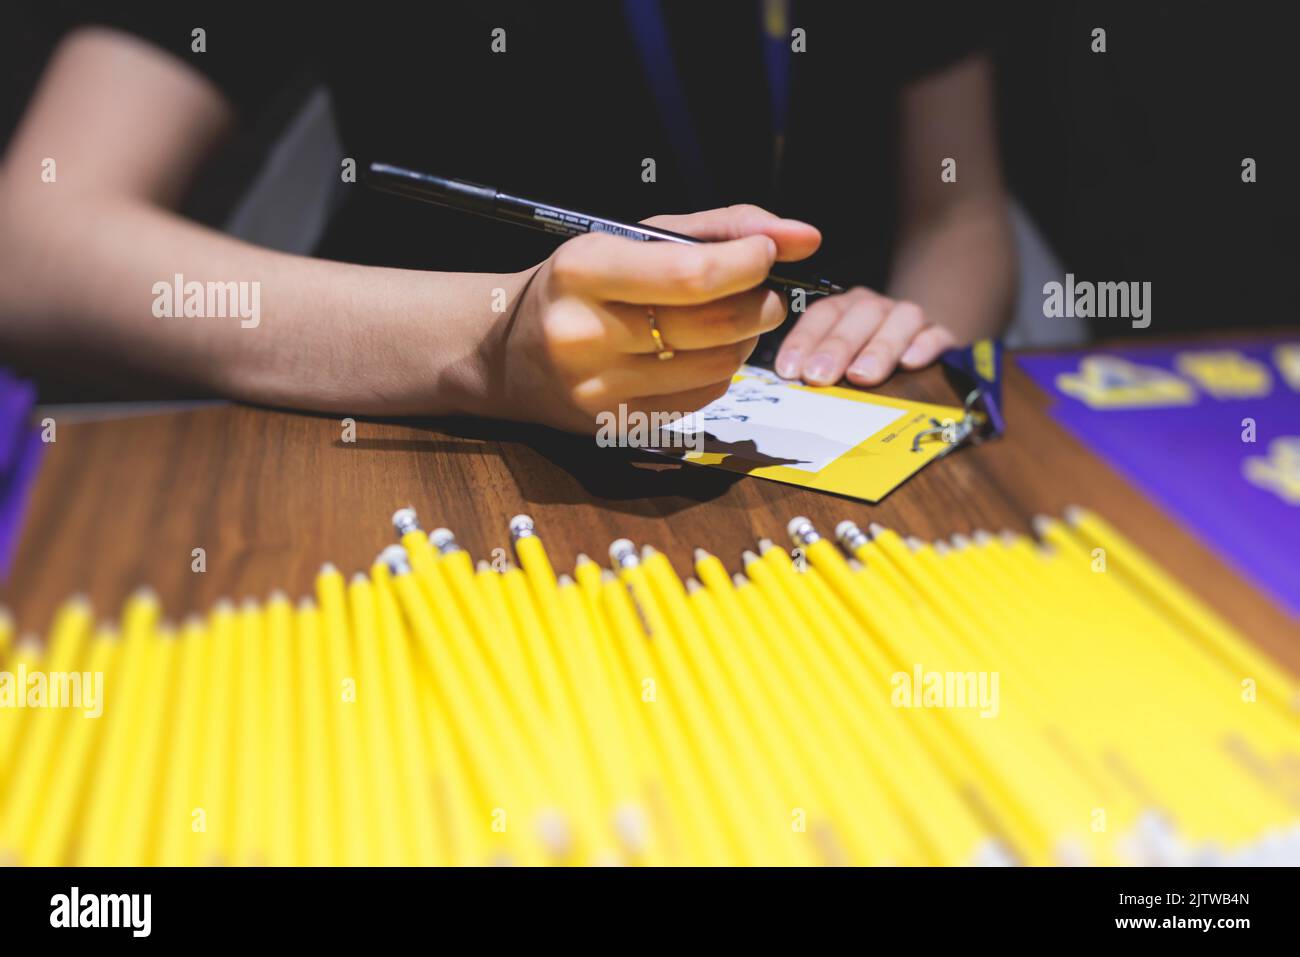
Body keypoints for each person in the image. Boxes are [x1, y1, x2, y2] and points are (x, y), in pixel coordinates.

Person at [0, 4, 1014, 435]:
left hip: (805, 448)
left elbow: (959, 214)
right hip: (418, 467)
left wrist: (899, 341)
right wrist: (485, 346)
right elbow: (32, 245)